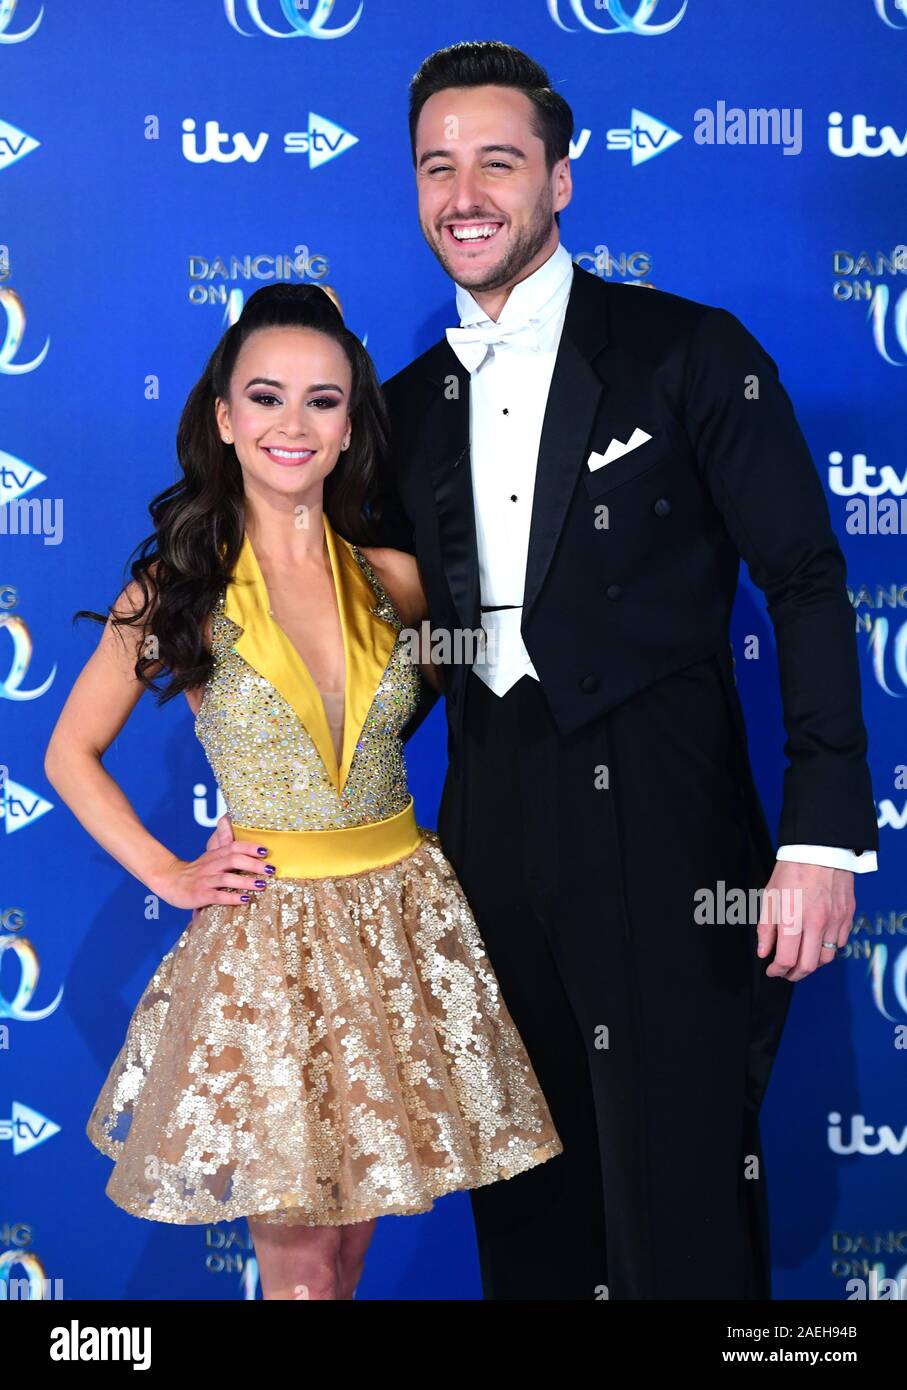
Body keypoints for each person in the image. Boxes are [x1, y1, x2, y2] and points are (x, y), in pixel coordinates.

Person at [374, 41, 879, 1299]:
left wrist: (820, 838)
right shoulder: (404, 403)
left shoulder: (688, 352)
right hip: (487, 825)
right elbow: (357, 635)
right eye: (438, 166)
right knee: (527, 1199)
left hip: (667, 821)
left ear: (562, 177)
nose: (466, 192)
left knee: (686, 1207)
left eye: (499, 160)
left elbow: (808, 583)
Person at [43, 282, 563, 1302]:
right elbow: (69, 753)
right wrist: (172, 871)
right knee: (304, 1272)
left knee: (351, 1258)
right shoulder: (174, 587)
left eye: (322, 401)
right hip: (271, 943)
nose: (294, 424)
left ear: (348, 424)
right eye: (267, 397)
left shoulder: (396, 579)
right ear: (225, 417)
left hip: (401, 925)